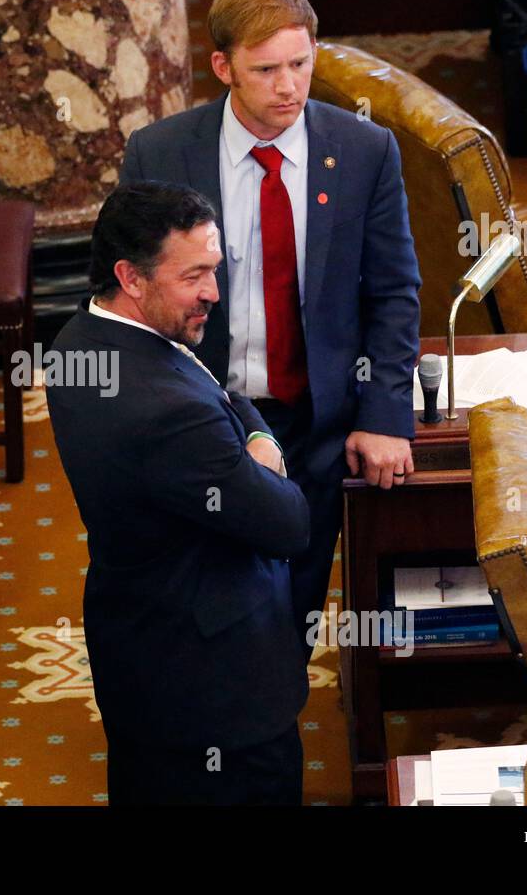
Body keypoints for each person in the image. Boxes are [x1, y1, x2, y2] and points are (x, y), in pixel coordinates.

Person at [119, 0, 421, 650]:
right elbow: (130, 303)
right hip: (205, 417)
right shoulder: (161, 155)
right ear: (224, 67)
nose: (289, 86)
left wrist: (383, 415)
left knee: (293, 611)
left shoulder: (366, 152)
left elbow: (393, 293)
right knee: (204, 601)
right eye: (266, 70)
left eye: (301, 64)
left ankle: (269, 730)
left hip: (318, 424)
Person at [48, 181, 311, 805]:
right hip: (218, 694)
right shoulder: (167, 413)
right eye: (194, 275)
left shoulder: (79, 343)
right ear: (130, 277)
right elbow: (289, 524)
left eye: (215, 270)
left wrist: (247, 437)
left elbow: (226, 396)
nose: (213, 294)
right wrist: (265, 450)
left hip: (145, 656)